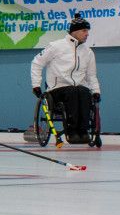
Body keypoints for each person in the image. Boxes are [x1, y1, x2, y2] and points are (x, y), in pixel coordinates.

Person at [30, 13, 100, 144]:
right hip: (57, 89)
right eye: (84, 31)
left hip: (79, 89)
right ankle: (72, 131)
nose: (87, 34)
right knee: (73, 91)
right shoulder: (56, 46)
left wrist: (96, 91)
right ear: (75, 31)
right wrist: (36, 85)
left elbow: (91, 75)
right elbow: (37, 63)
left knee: (84, 92)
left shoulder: (88, 52)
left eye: (88, 31)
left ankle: (83, 131)